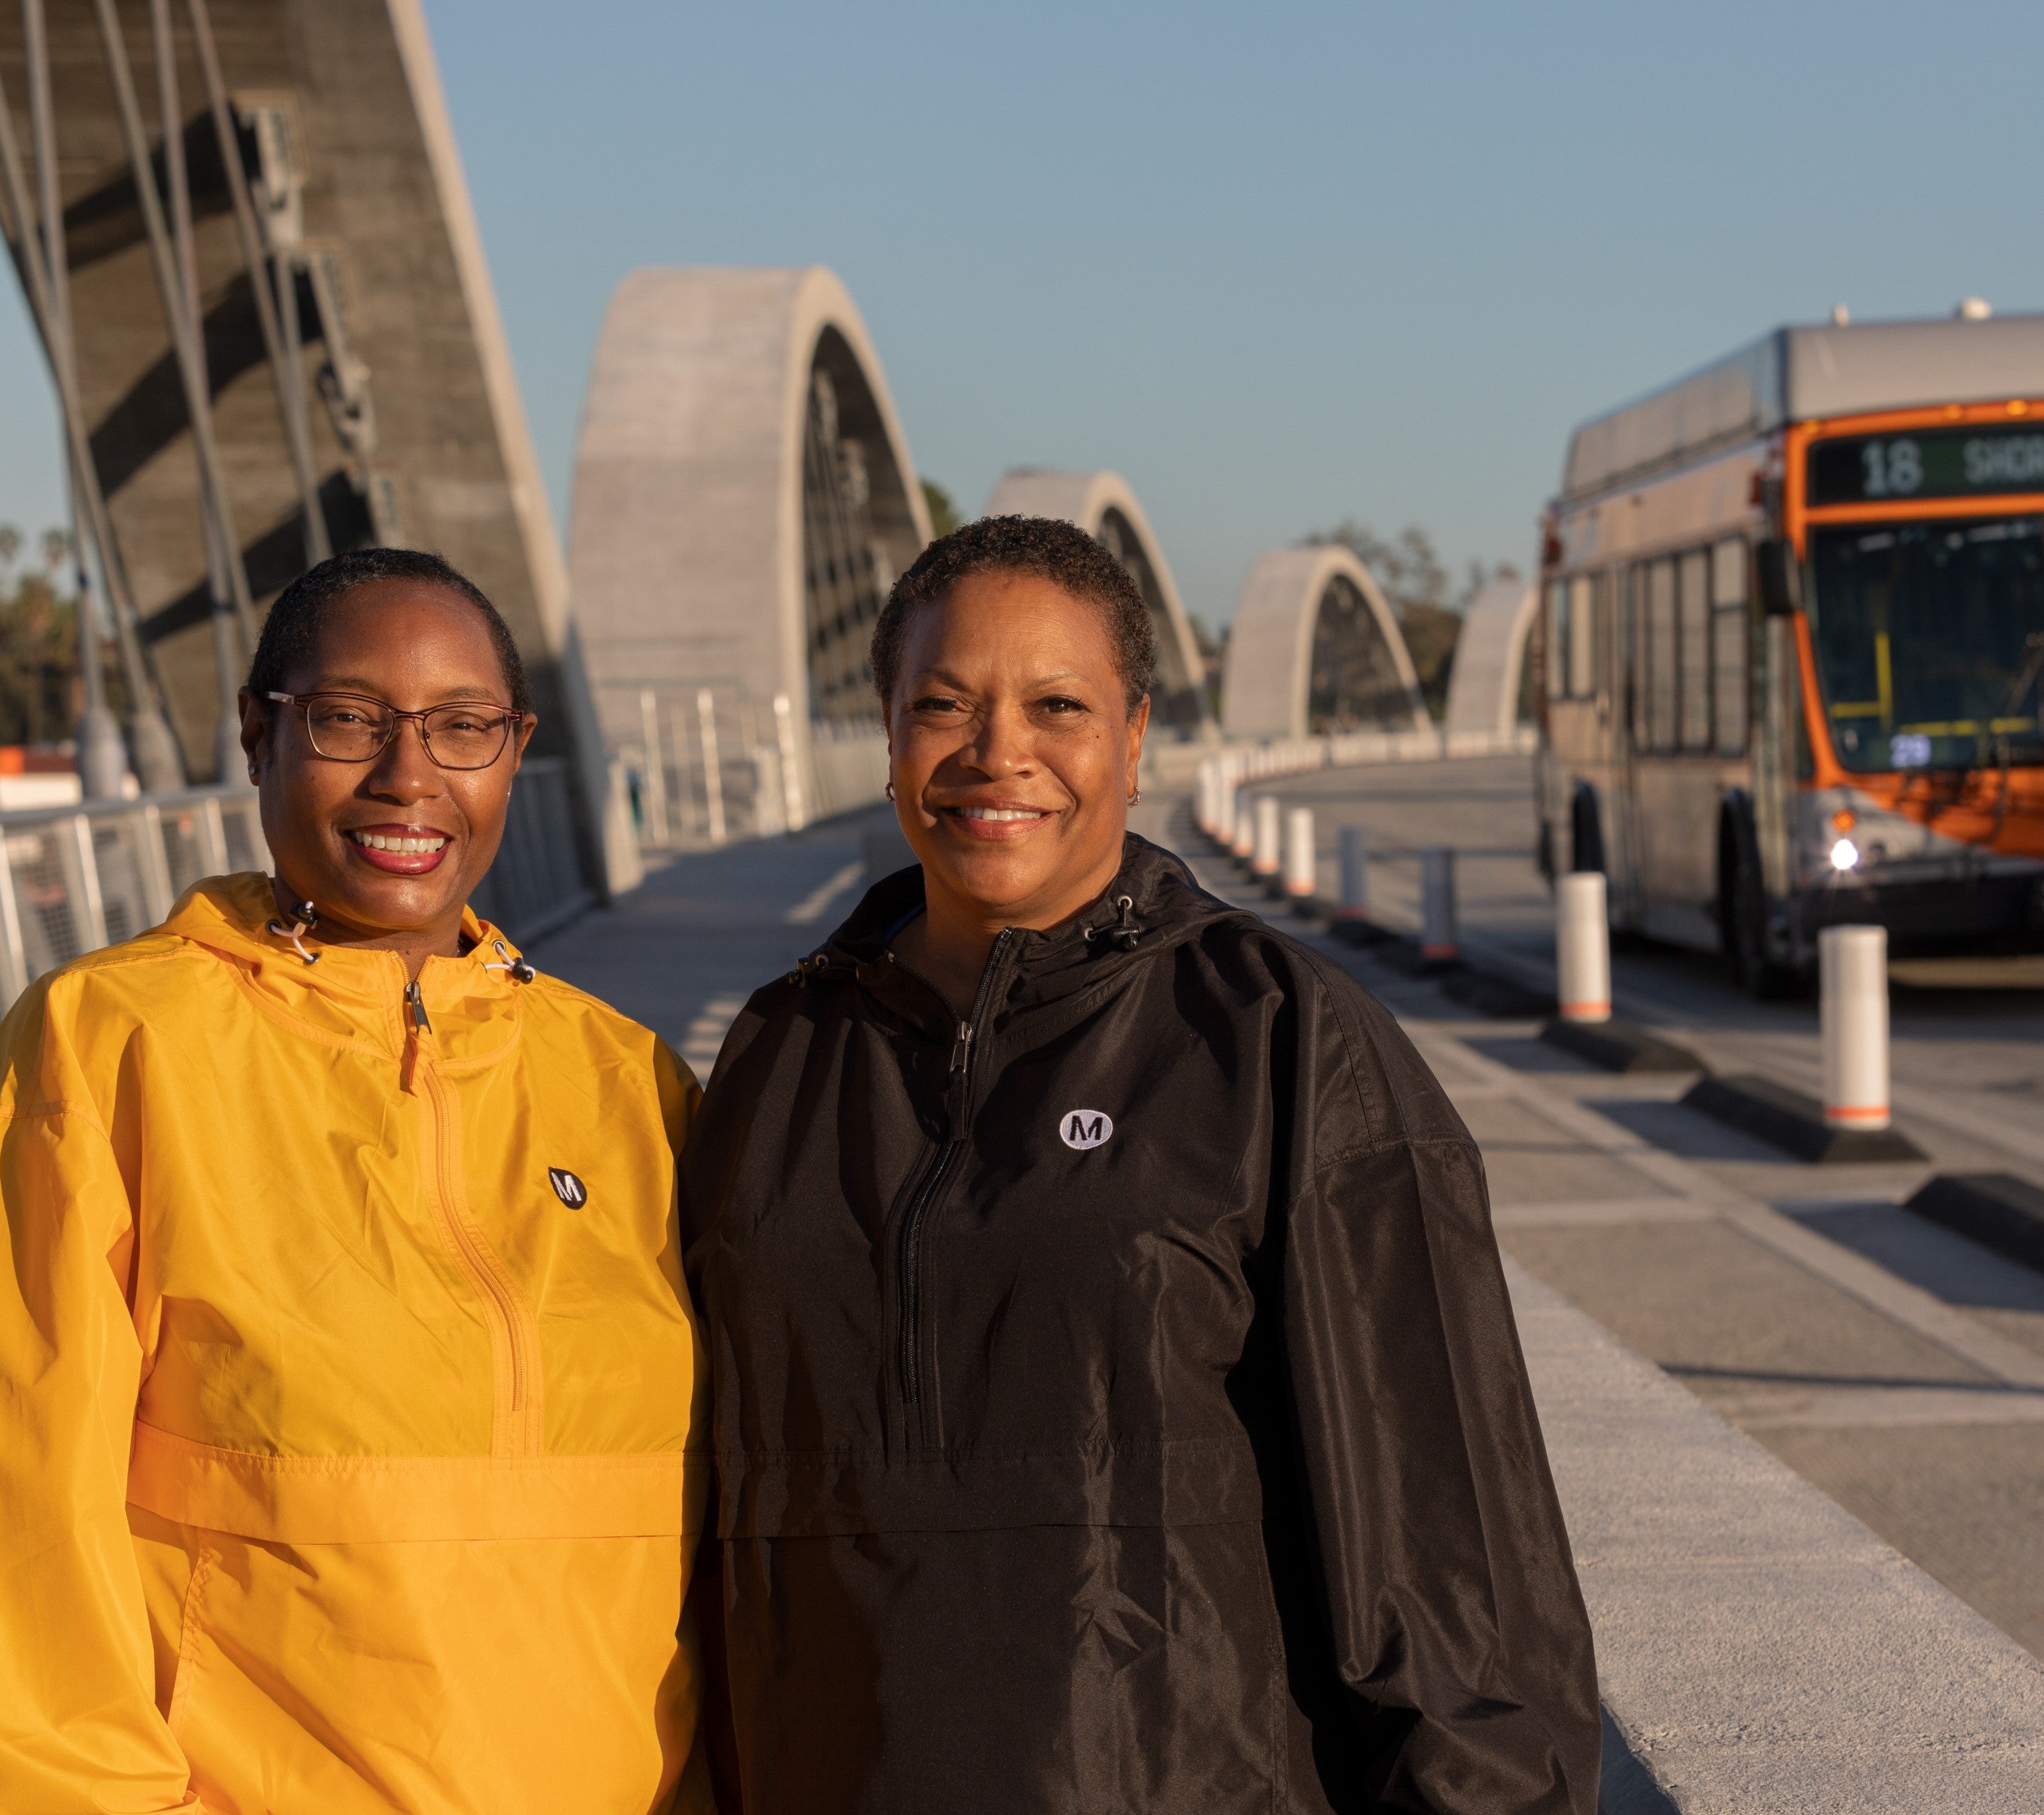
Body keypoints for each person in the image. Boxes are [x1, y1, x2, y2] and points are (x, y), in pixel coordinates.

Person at [680, 516, 1603, 1813]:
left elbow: (1453, 1559)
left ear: (1135, 736)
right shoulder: (783, 1050)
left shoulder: (1281, 1034)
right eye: (943, 703)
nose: (998, 752)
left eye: (1057, 704)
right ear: (887, 735)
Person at [0, 548, 709, 1814]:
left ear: (514, 751)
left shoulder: (630, 1082)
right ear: (260, 734)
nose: (409, 775)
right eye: (350, 719)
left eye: (462, 727)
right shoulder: (105, 1050)